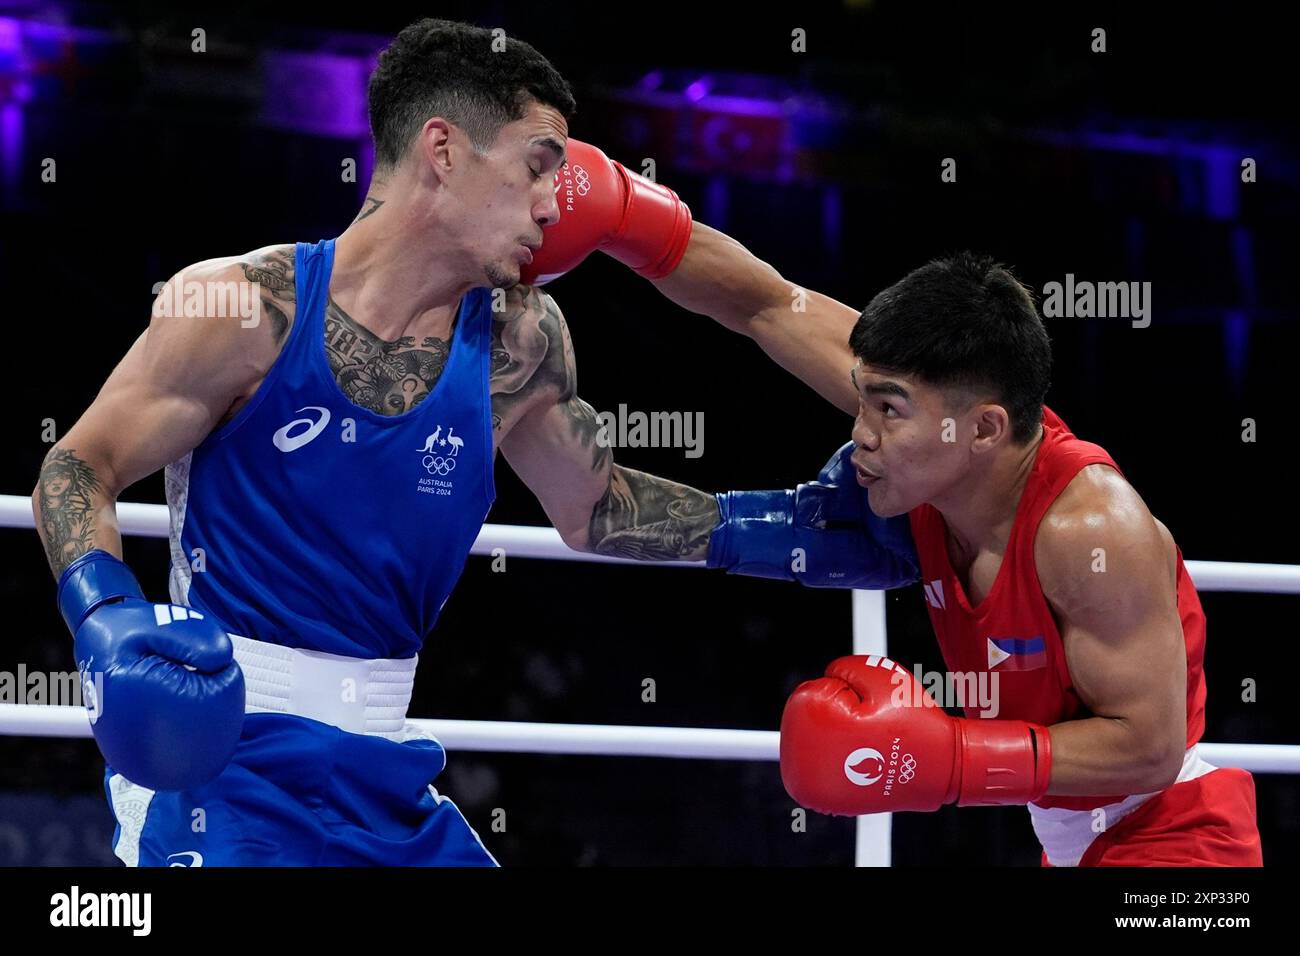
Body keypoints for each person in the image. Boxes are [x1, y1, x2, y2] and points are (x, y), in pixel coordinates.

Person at [528, 143, 1264, 866]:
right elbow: (762, 302)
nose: (860, 433)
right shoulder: (928, 437)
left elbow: (1149, 746)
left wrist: (946, 760)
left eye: (887, 410)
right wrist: (628, 214)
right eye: (866, 398)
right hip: (1066, 838)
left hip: (1177, 843)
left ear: (983, 429)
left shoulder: (1092, 531)